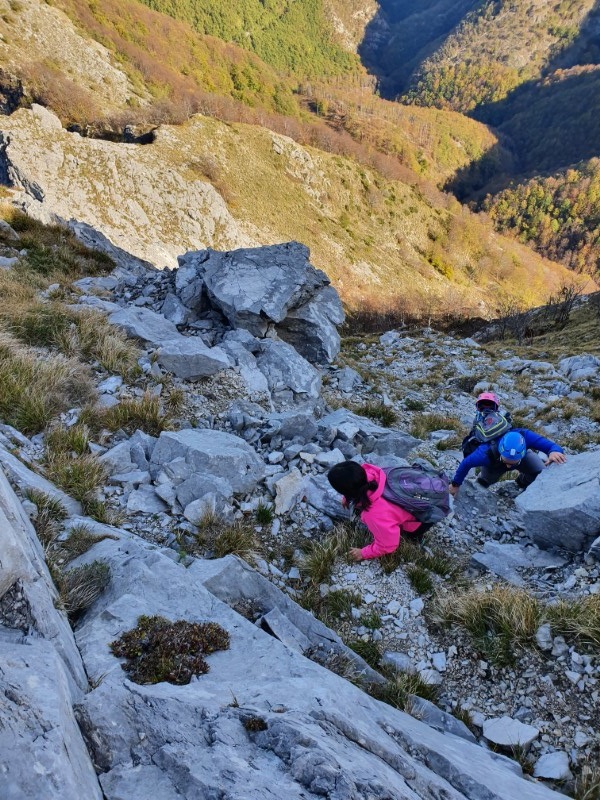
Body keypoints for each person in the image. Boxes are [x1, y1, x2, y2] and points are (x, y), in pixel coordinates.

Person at [327, 461, 432, 561]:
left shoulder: (374, 514)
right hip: (421, 496)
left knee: (410, 535)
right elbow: (357, 484)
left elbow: (389, 545)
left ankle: (416, 538)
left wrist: (363, 553)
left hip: (424, 517)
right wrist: (348, 497)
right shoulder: (374, 474)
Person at [449, 429, 567, 496]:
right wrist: (455, 485)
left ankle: (522, 482)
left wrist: (554, 452)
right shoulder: (484, 454)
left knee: (540, 472)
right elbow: (465, 464)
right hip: (494, 463)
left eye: (512, 463)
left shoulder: (526, 436)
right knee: (484, 482)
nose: (509, 466)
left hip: (523, 459)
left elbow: (551, 446)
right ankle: (484, 480)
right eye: (507, 461)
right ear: (500, 450)